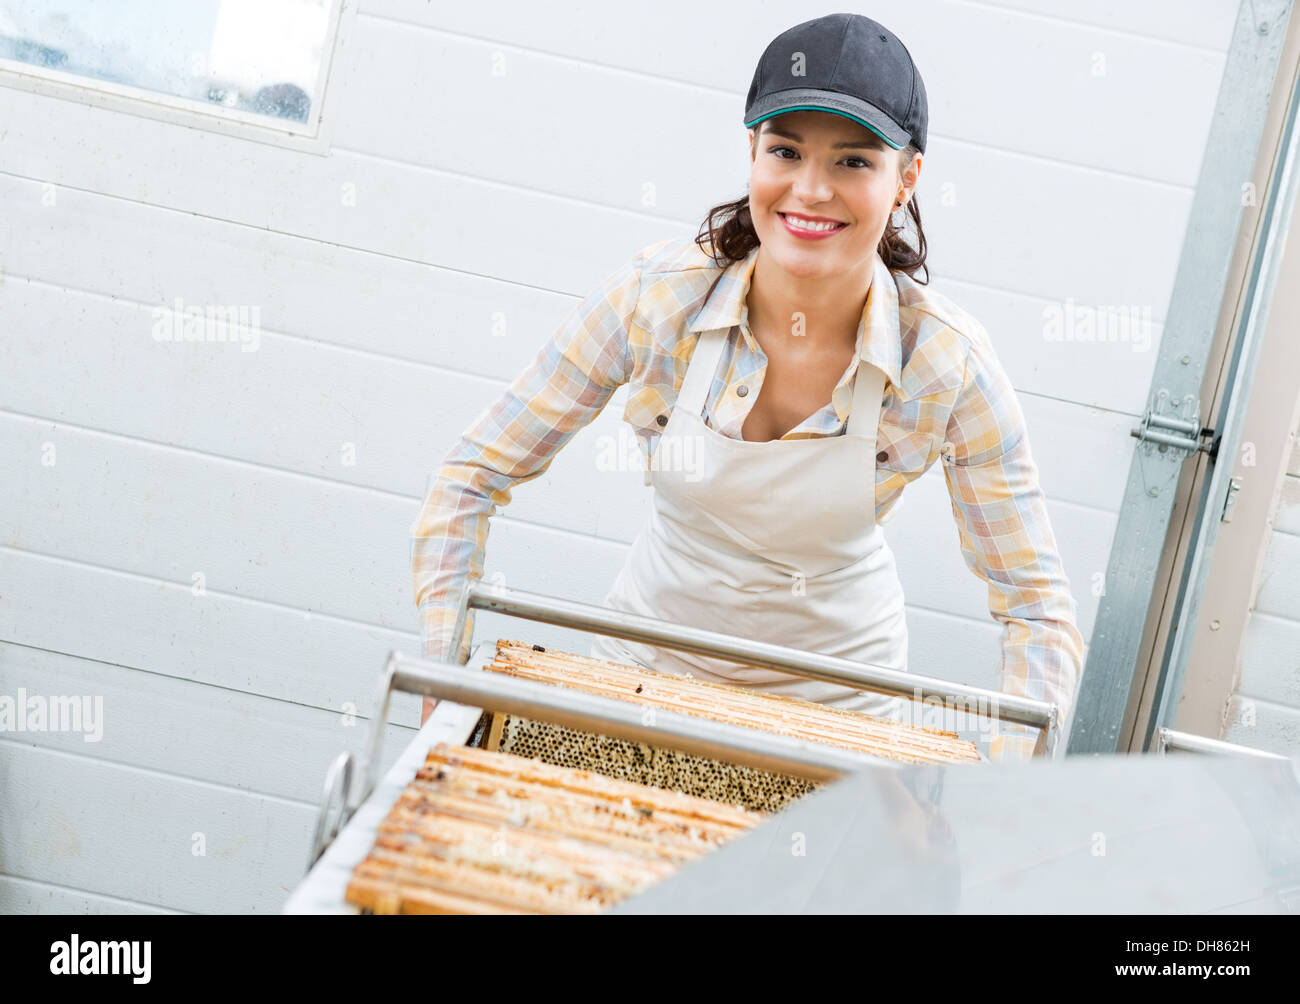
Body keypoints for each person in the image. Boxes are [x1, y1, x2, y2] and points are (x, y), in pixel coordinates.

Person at [411, 13, 1083, 762]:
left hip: (837, 717)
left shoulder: (947, 363)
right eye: (785, 151)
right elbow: (470, 476)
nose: (810, 189)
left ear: (907, 178)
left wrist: (1006, 779)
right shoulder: (657, 300)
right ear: (753, 153)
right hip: (643, 682)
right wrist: (444, 673)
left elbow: (1036, 608)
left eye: (854, 162)